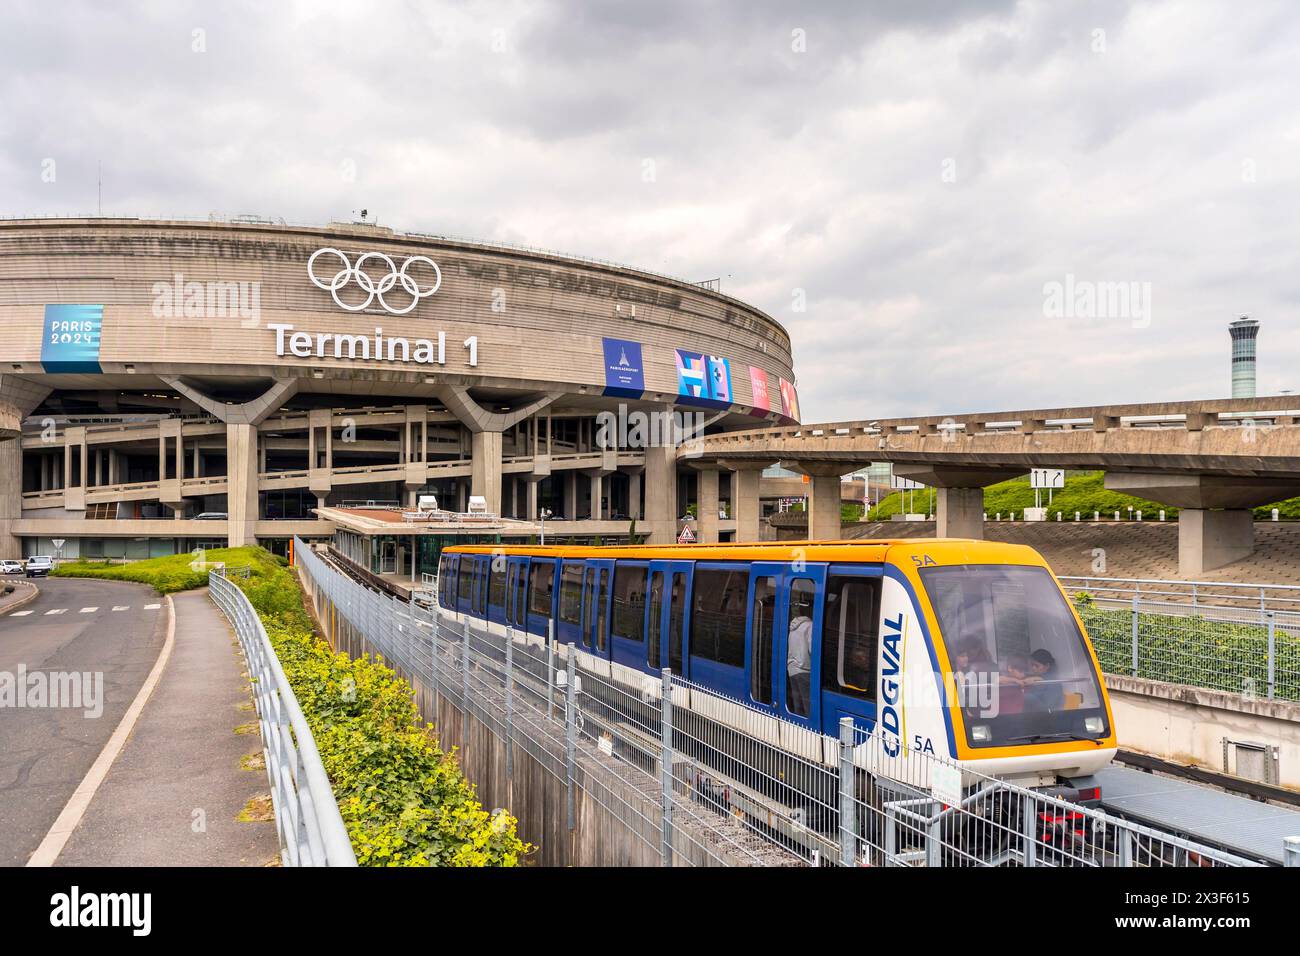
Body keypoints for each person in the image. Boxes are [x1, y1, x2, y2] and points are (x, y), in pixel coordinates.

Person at [787, 592, 813, 715]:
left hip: (792, 670)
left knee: (798, 709)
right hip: (805, 671)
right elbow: (813, 650)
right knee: (808, 709)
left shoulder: (793, 626)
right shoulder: (810, 626)